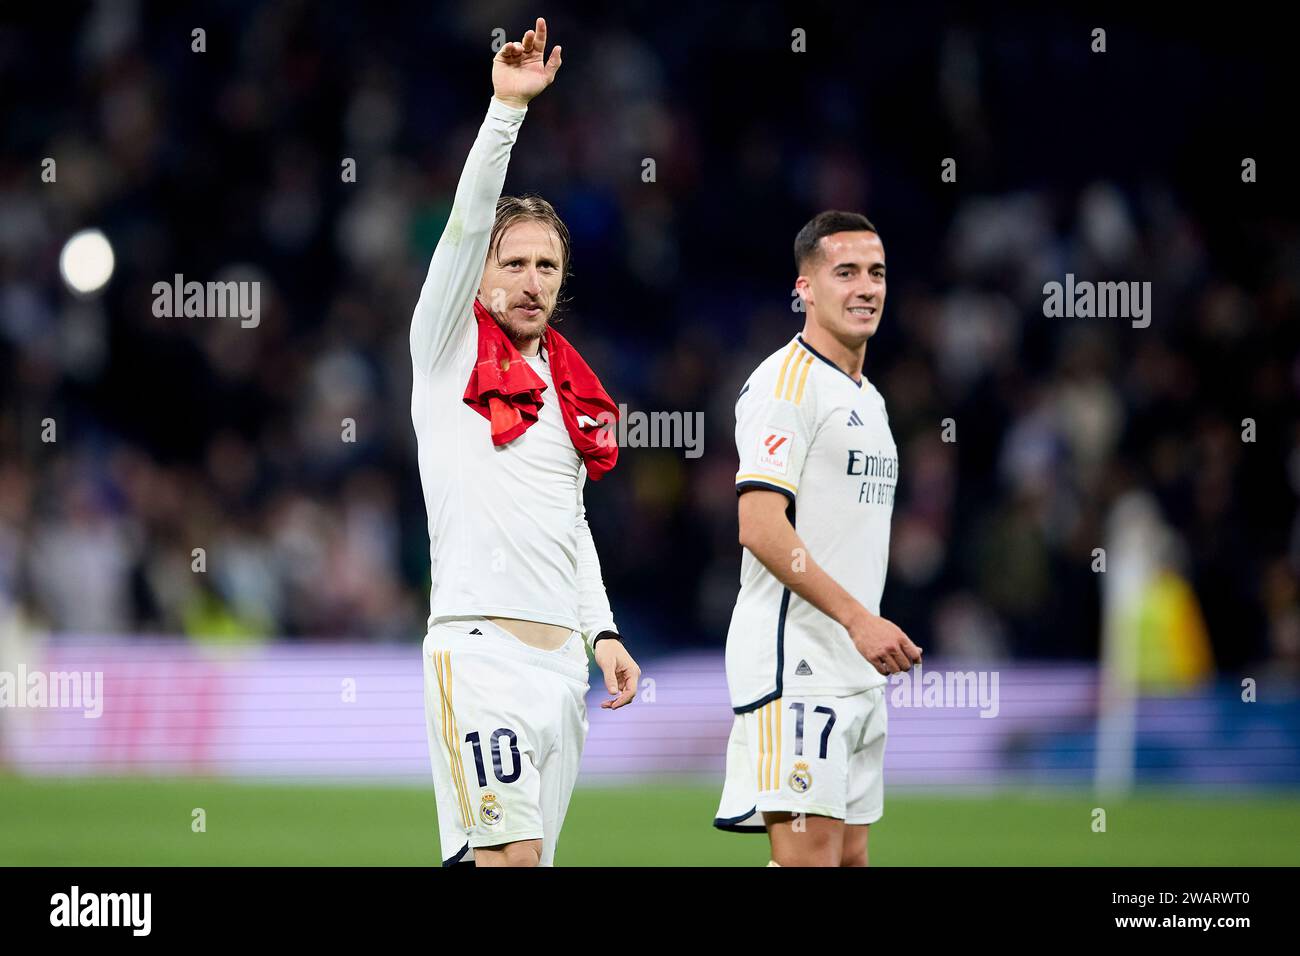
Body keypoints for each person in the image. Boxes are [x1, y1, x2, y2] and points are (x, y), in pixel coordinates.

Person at [410, 17, 640, 868]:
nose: (530, 281)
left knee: (505, 862)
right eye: (513, 264)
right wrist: (507, 111)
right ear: (479, 276)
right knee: (513, 861)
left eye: (547, 266)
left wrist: (603, 632)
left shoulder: (568, 389)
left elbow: (566, 523)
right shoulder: (446, 350)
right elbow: (470, 220)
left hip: (559, 679)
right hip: (479, 657)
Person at [714, 211, 922, 866]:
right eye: (846, 273)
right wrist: (860, 618)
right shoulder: (785, 384)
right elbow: (760, 525)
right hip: (796, 662)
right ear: (804, 288)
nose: (866, 288)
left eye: (877, 273)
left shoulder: (872, 400)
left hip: (854, 669)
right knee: (810, 859)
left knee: (849, 859)